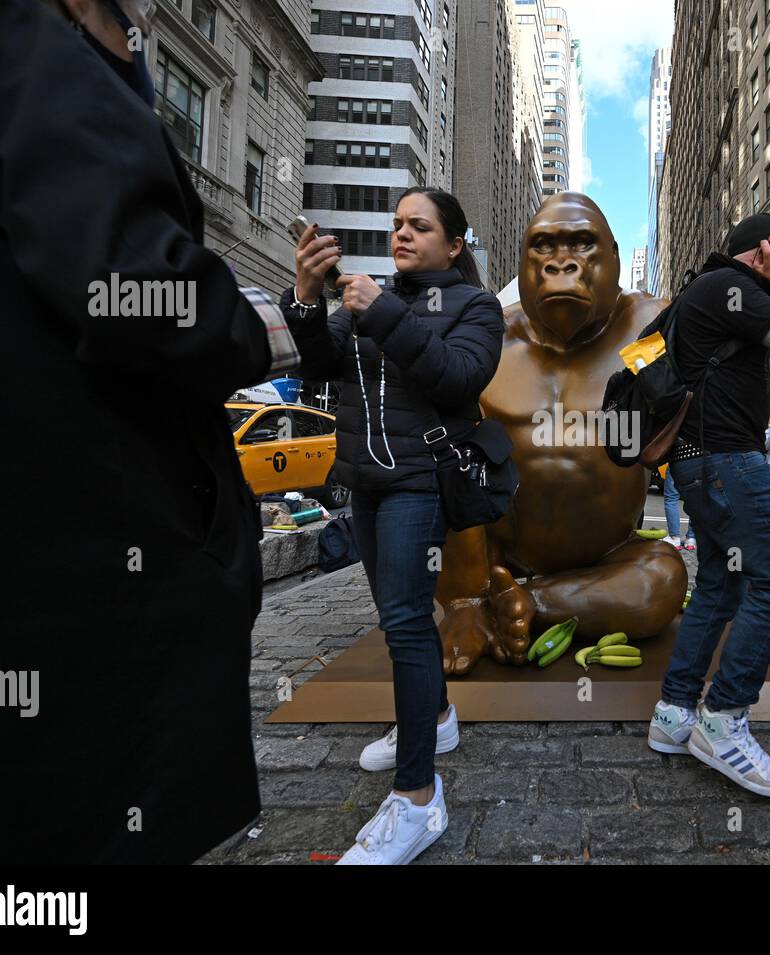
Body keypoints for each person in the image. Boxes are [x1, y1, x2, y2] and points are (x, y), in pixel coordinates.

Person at [0, 0, 302, 863]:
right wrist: (266, 326)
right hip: (75, 592)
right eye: (127, 32)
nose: (139, 44)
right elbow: (135, 289)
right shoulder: (20, 40)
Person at [281, 187, 504, 865]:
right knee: (394, 613)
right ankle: (434, 720)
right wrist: (305, 295)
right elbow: (320, 368)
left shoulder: (474, 305)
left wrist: (382, 311)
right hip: (366, 484)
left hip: (419, 482)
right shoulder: (364, 298)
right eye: (397, 224)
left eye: (420, 226)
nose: (402, 234)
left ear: (454, 244)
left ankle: (416, 799)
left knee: (408, 620)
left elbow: (459, 377)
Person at [647, 213, 770, 798]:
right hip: (728, 461)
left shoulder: (708, 290)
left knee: (722, 587)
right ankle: (722, 720)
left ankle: (675, 713)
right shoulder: (732, 287)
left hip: (701, 463)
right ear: (763, 251)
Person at [662, 469, 696, 550]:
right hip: (698, 461)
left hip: (678, 459)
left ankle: (675, 539)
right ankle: (691, 539)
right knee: (695, 499)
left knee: (671, 498)